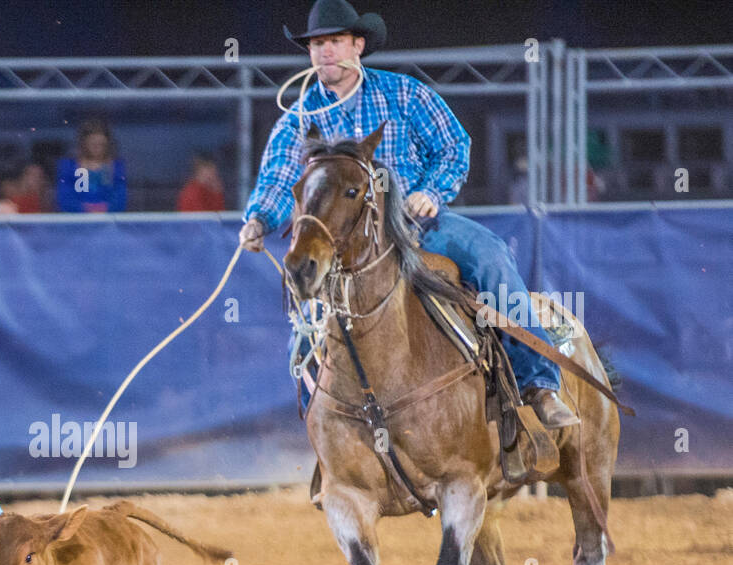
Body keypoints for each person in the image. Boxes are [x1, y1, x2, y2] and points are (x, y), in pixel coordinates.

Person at [240, 0, 578, 428]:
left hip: (417, 225)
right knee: (305, 337)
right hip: (344, 244)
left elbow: (455, 146)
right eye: (318, 44)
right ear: (309, 53)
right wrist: (258, 219)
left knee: (490, 255)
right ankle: (327, 437)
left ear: (358, 45)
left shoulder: (405, 93)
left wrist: (432, 193)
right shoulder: (300, 118)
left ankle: (539, 384)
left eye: (336, 41)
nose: (326, 51)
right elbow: (278, 178)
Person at [56, 118, 127, 213]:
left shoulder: (117, 167)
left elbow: (120, 197)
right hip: (76, 222)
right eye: (93, 144)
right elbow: (65, 196)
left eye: (101, 145)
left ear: (107, 145)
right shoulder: (68, 166)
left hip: (108, 222)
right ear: (84, 144)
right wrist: (85, 210)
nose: (97, 148)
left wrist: (104, 209)